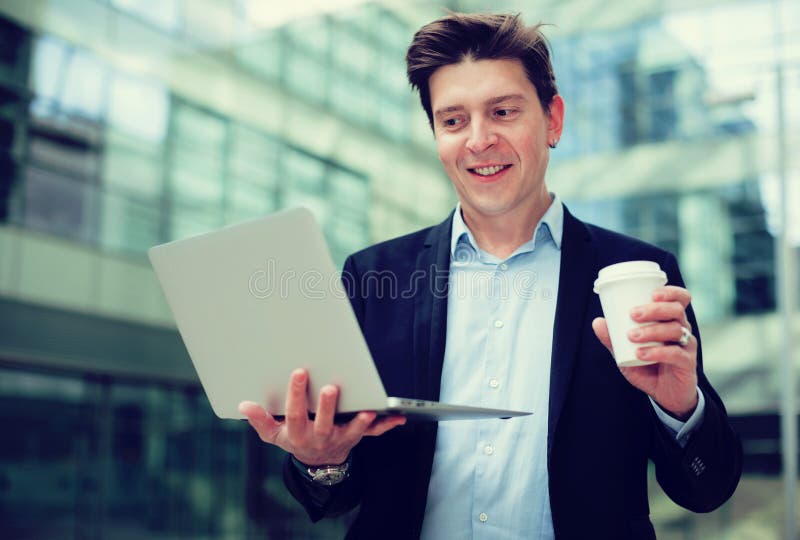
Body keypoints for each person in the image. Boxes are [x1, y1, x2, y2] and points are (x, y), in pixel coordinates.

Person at [239, 12, 742, 539]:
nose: (479, 140)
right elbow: (339, 491)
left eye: (503, 111)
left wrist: (680, 405)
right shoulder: (372, 277)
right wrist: (324, 459)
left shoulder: (637, 276)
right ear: (436, 134)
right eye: (453, 121)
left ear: (553, 120)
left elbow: (705, 489)